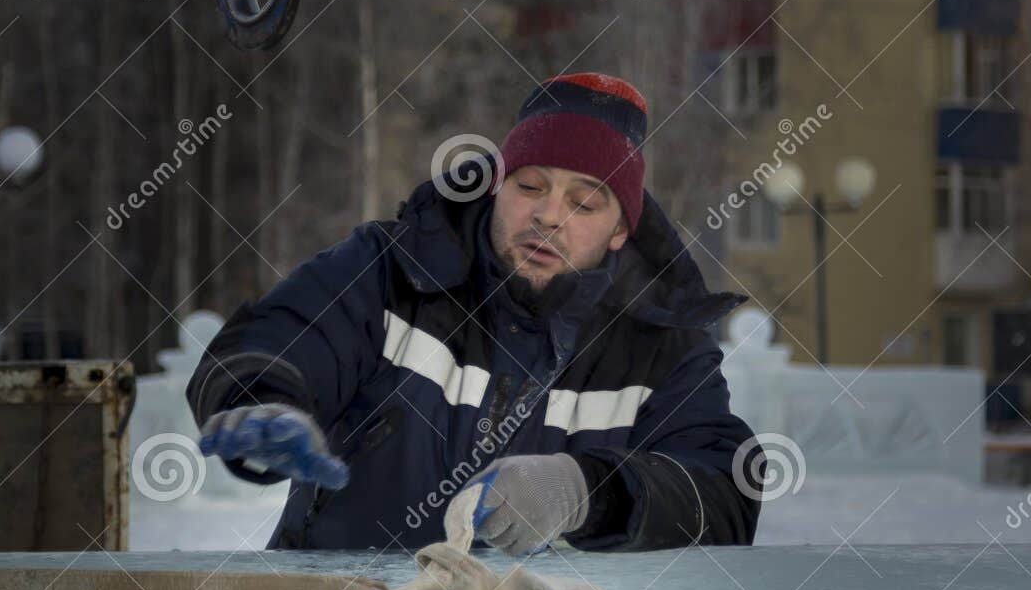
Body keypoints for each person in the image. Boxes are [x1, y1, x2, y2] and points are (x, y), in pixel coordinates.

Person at [188, 72, 761, 554]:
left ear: (619, 231)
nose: (549, 215)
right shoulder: (390, 270)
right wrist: (262, 401)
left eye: (584, 201)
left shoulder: (661, 345)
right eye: (530, 185)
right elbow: (282, 337)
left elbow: (725, 495)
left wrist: (587, 491)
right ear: (496, 189)